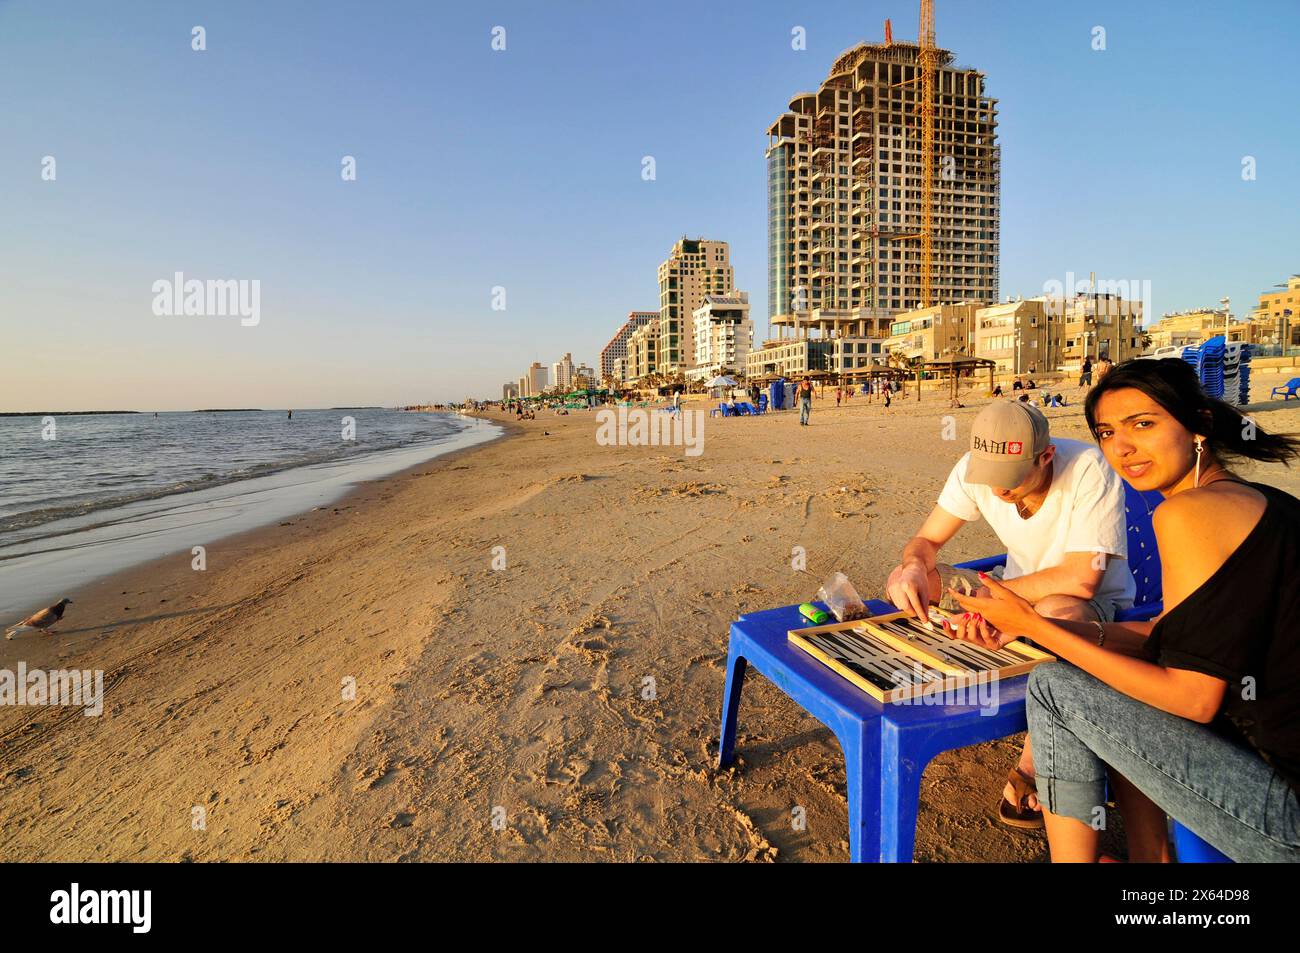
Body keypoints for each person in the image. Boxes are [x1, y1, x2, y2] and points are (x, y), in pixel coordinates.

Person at [950, 358, 1300, 861]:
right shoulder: (1260, 500)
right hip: (1269, 767)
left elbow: (1193, 697)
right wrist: (1045, 629)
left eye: (1144, 423)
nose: (1123, 447)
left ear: (1198, 424)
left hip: (1282, 808)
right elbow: (1169, 634)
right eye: (1108, 431)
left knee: (1053, 689)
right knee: (1088, 670)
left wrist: (1033, 627)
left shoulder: (1187, 513)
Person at [886, 400, 1135, 828]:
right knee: (906, 581)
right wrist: (912, 565)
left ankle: (1033, 764)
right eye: (992, 477)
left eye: (1012, 479)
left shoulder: (1089, 469)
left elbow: (1081, 580)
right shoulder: (971, 468)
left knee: (1056, 610)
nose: (1000, 490)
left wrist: (990, 603)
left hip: (1088, 606)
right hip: (1012, 584)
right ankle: (974, 627)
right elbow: (925, 541)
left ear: (1046, 456)